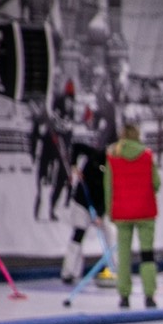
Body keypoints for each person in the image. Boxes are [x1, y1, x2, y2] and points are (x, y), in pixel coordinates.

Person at [105, 121, 160, 309]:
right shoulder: (147, 155)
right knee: (147, 255)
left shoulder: (112, 155)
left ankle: (124, 296)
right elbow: (157, 183)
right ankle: (149, 296)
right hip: (145, 210)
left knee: (124, 255)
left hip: (122, 211)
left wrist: (110, 211)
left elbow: (108, 187)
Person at [61, 114, 109, 286]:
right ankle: (69, 272)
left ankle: (114, 269)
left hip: (98, 206)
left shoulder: (113, 168)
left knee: (111, 234)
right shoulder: (97, 155)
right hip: (82, 201)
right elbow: (76, 147)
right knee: (79, 234)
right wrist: (74, 165)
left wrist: (100, 213)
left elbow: (107, 192)